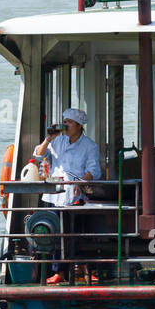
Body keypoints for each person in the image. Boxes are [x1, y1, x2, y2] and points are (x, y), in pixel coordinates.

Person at [33, 108, 102, 284]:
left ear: (79, 126)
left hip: (76, 196)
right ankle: (59, 273)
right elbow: (38, 155)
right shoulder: (57, 142)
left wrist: (80, 183)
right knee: (55, 233)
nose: (65, 125)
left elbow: (94, 170)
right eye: (64, 121)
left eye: (69, 122)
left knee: (77, 233)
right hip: (55, 195)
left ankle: (86, 270)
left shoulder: (89, 146)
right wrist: (49, 138)